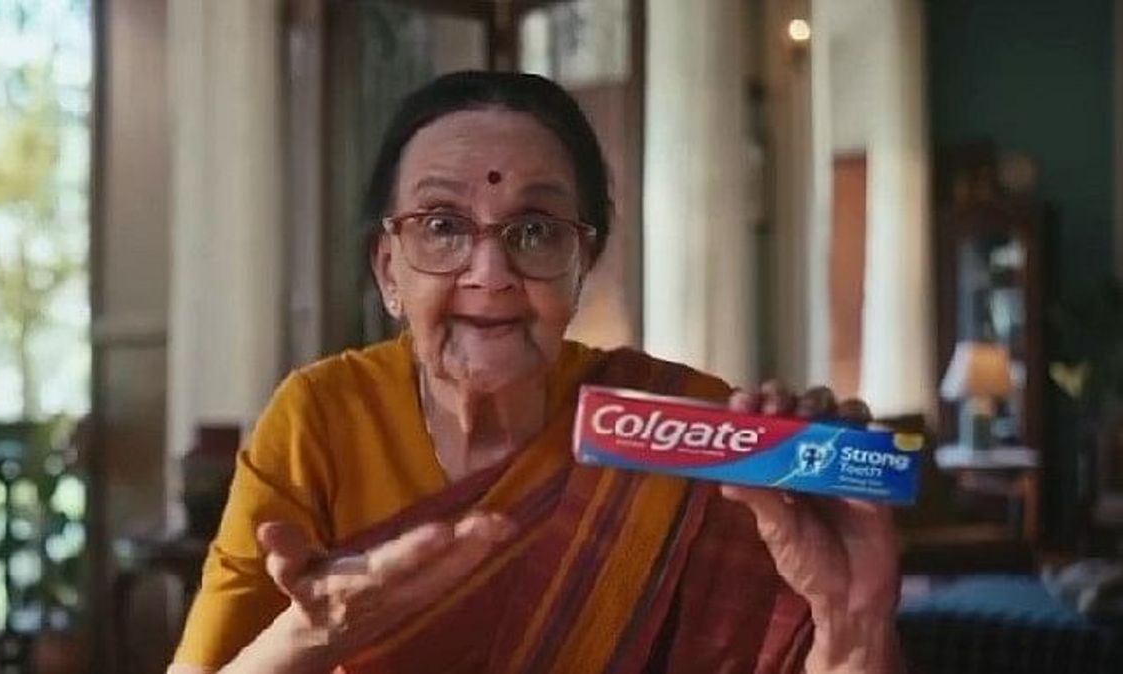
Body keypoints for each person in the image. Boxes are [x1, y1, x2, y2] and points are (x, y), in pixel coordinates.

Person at [168, 71, 903, 674]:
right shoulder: (320, 418)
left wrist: (852, 621)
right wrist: (312, 639)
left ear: (583, 263)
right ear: (388, 270)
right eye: (442, 226)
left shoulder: (688, 432)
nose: (491, 274)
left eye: (535, 231)